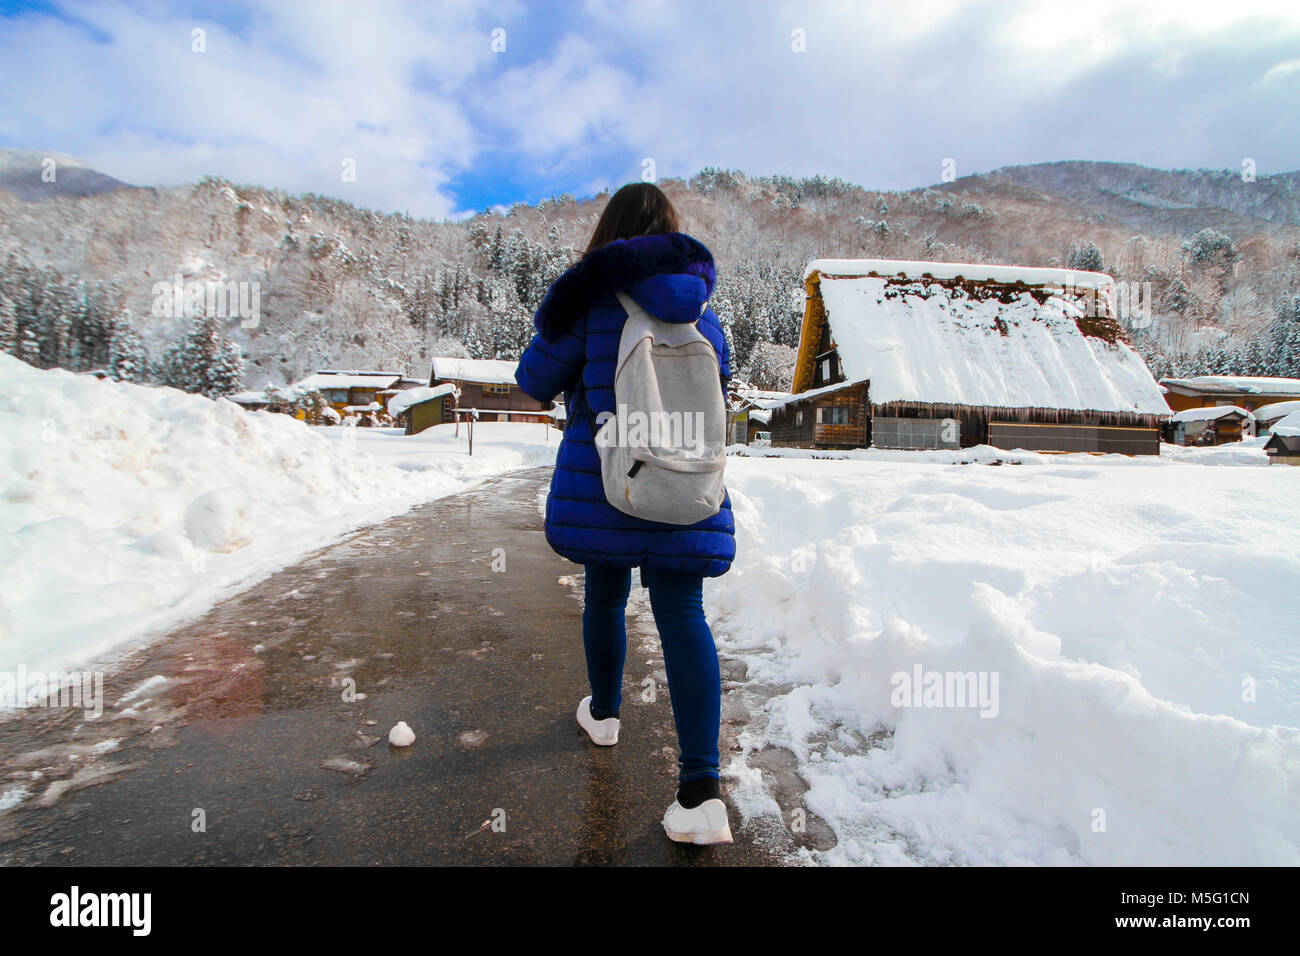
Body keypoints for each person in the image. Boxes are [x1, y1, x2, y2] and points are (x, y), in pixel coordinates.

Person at [515, 182, 736, 845]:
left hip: (608, 483)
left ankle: (605, 715)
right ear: (671, 234)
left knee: (605, 597)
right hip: (683, 488)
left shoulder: (588, 302)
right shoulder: (706, 317)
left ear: (609, 234)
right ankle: (700, 793)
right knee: (683, 614)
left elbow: (533, 381)